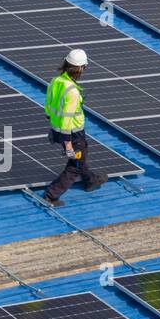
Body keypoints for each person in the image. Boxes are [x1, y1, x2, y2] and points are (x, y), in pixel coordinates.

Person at [42, 48, 105, 206]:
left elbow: (49, 107)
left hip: (58, 130)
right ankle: (51, 195)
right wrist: (68, 144)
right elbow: (67, 120)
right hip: (72, 135)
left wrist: (53, 127)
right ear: (80, 68)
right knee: (74, 165)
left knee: (81, 157)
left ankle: (91, 180)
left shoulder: (56, 81)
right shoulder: (72, 92)